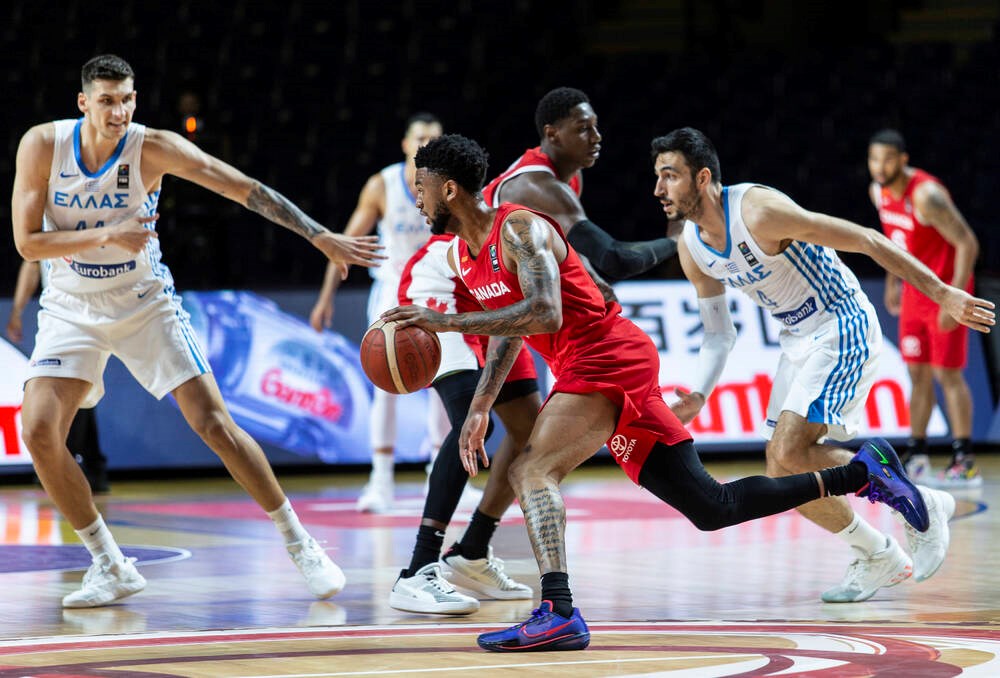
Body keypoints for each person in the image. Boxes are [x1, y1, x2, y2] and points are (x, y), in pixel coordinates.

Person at [382, 133, 941, 652]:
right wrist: (481, 405)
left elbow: (544, 311)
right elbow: (516, 328)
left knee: (532, 470)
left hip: (604, 357)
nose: (417, 198)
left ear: (448, 189)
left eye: (421, 187)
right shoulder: (463, 254)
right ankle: (864, 471)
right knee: (711, 507)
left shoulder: (518, 229)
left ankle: (558, 609)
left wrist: (443, 322)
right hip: (600, 363)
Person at [11, 54, 384, 608]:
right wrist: (109, 232)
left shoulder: (153, 147)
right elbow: (27, 244)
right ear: (83, 102)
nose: (120, 110)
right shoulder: (42, 145)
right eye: (108, 100)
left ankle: (300, 544)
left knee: (214, 424)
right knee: (39, 431)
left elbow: (242, 187)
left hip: (144, 304)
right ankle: (109, 564)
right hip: (70, 308)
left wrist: (319, 235)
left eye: (128, 99)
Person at [653, 127, 992, 603]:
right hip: (797, 340)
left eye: (669, 176)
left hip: (840, 320)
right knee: (782, 471)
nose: (658, 189)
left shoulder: (759, 211)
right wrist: (702, 394)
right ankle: (877, 553)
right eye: (657, 177)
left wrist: (942, 292)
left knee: (791, 450)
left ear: (702, 177)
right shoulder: (691, 246)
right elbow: (718, 333)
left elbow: (868, 239)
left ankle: (918, 500)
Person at [387, 233, 539, 614]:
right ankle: (418, 569)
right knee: (474, 424)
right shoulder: (534, 184)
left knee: (531, 432)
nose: (419, 201)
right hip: (442, 284)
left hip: (493, 298)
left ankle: (471, 551)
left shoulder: (569, 181)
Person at [310, 113, 451, 513]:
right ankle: (381, 480)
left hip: (437, 291)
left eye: (434, 138)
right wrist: (325, 298)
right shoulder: (383, 184)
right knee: (384, 384)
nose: (426, 144)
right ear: (406, 144)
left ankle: (439, 478)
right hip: (392, 289)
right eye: (420, 137)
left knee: (445, 385)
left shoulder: (449, 186)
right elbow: (345, 243)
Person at [867, 129, 982, 488]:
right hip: (915, 293)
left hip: (946, 289)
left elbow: (967, 243)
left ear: (902, 160)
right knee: (916, 374)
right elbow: (891, 241)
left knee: (947, 375)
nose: (879, 166)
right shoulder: (878, 192)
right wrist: (892, 281)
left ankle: (964, 459)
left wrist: (955, 296)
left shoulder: (927, 196)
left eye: (887, 159)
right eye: (873, 159)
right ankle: (917, 454)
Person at [484, 87, 679, 294]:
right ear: (552, 134)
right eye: (583, 129)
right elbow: (615, 259)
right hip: (461, 276)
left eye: (595, 126)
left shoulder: (571, 172)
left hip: (495, 271)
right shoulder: (539, 187)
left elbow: (571, 242)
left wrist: (593, 279)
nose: (596, 137)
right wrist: (675, 241)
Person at [6, 260, 108, 493]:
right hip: (57, 316)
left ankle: (74, 463)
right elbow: (31, 263)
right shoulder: (41, 229)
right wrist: (17, 310)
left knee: (77, 391)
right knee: (73, 392)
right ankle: (89, 465)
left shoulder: (83, 228)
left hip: (89, 312)